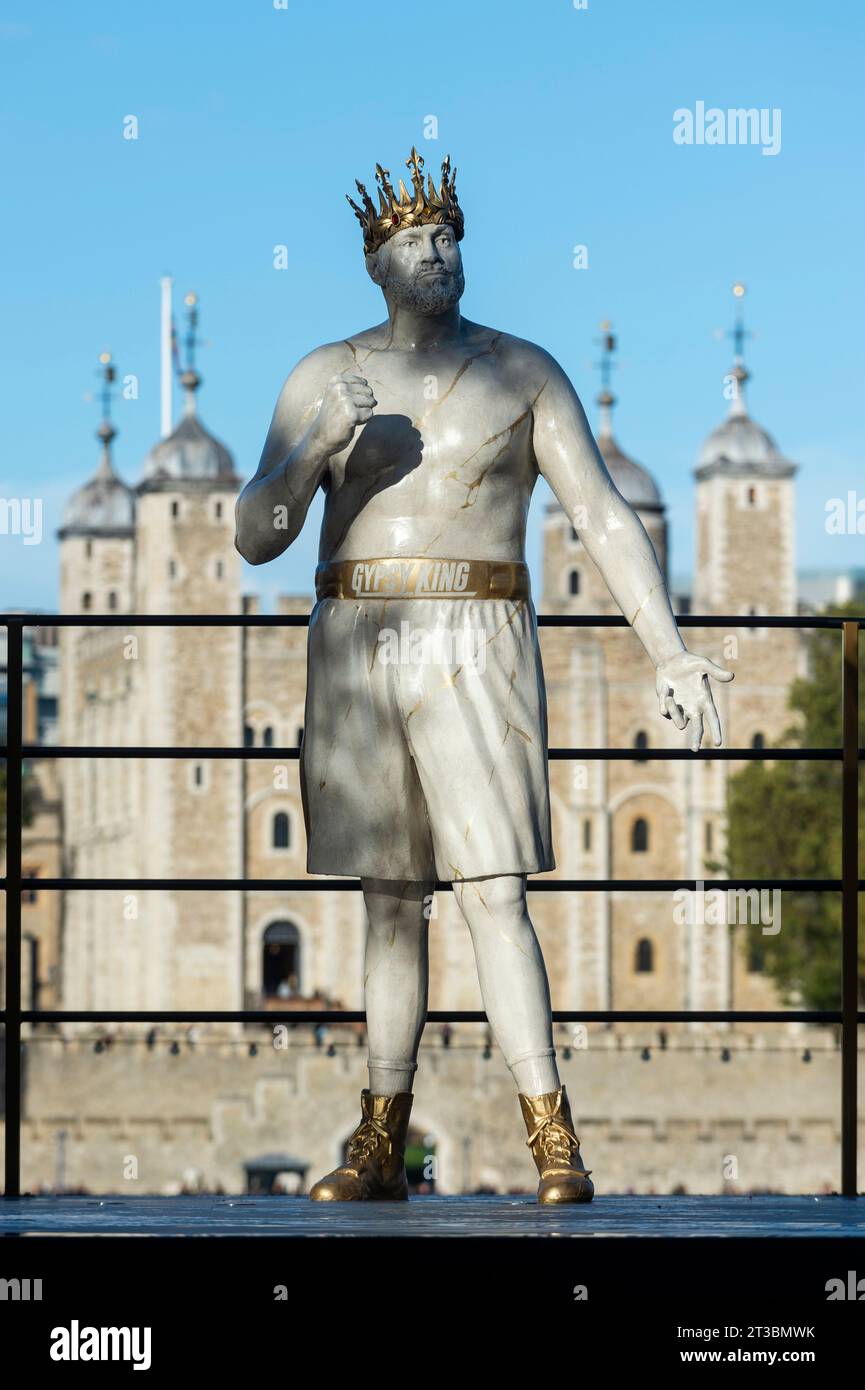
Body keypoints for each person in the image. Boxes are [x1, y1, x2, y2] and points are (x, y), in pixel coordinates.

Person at [235, 146, 732, 1204]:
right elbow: (256, 537)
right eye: (416, 242)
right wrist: (313, 447)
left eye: (448, 238)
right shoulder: (324, 376)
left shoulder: (524, 370)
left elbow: (597, 512)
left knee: (496, 893)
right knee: (387, 902)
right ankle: (379, 1138)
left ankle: (552, 1135)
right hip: (359, 631)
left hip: (481, 628)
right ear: (377, 260)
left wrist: (669, 647)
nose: (437, 255)